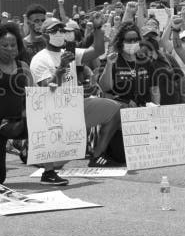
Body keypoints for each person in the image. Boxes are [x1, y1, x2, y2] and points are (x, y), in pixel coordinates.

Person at [29, 15, 122, 168]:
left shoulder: (70, 52)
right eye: (54, 31)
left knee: (115, 109)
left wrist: (98, 28)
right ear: (45, 35)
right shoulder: (40, 59)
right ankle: (35, 151)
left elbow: (97, 50)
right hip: (54, 114)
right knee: (55, 165)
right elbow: (48, 88)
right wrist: (62, 67)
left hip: (75, 107)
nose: (59, 34)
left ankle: (97, 156)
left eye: (62, 30)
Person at [0, 23, 42, 184]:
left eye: (13, 45)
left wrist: (55, 79)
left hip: (16, 124)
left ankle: (26, 149)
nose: (9, 48)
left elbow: (36, 95)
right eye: (4, 45)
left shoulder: (23, 67)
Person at [99, 23, 160, 107]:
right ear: (121, 42)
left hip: (143, 110)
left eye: (135, 39)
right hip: (120, 110)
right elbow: (105, 88)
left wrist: (156, 107)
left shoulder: (146, 62)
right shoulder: (112, 60)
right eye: (129, 40)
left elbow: (154, 88)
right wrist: (109, 65)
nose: (133, 42)